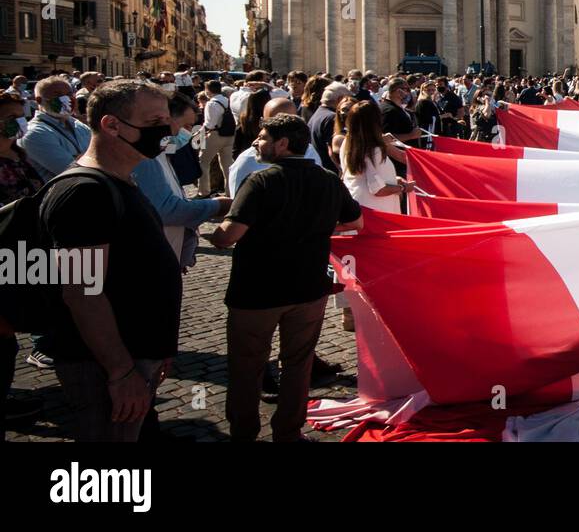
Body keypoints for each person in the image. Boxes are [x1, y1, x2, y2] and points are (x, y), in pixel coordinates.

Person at [38, 80, 181, 441]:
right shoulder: (83, 194)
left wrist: (157, 348)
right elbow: (82, 292)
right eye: (153, 122)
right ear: (111, 125)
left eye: (166, 119)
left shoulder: (121, 179)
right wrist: (120, 371)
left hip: (136, 354)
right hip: (103, 365)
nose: (165, 130)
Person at [210, 114, 363, 442]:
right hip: (308, 288)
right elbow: (357, 223)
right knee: (298, 365)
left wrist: (208, 225)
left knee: (247, 367)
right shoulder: (327, 179)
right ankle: (289, 432)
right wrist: (321, 228)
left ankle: (244, 433)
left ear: (282, 144)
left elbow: (229, 236)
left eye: (263, 137)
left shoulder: (261, 181)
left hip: (258, 291)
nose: (256, 142)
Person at [132, 93, 231, 267]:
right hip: (151, 260)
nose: (187, 133)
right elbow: (166, 209)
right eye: (187, 125)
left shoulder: (161, 152)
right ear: (165, 119)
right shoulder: (146, 157)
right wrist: (218, 206)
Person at [0, 92, 46, 436]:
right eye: (11, 117)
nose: (19, 122)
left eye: (21, 115)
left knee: (9, 332)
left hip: (22, 253)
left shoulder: (19, 154)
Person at [340, 100, 412, 214]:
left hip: (359, 204)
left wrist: (393, 180)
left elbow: (367, 176)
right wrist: (403, 188)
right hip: (376, 210)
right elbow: (378, 189)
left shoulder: (347, 142)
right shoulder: (373, 150)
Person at [18, 76, 93, 181]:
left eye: (69, 94)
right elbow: (72, 170)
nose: (66, 99)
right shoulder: (34, 133)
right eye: (57, 95)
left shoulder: (79, 125)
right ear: (39, 100)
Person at [199, 78, 236, 196]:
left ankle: (204, 191)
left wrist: (198, 135)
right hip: (230, 135)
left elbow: (210, 124)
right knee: (227, 165)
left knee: (203, 162)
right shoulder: (227, 100)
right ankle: (230, 191)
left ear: (208, 90)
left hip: (215, 135)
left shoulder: (211, 103)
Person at [308, 81, 351, 175]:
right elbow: (335, 152)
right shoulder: (332, 118)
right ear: (341, 99)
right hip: (331, 173)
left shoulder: (318, 113)